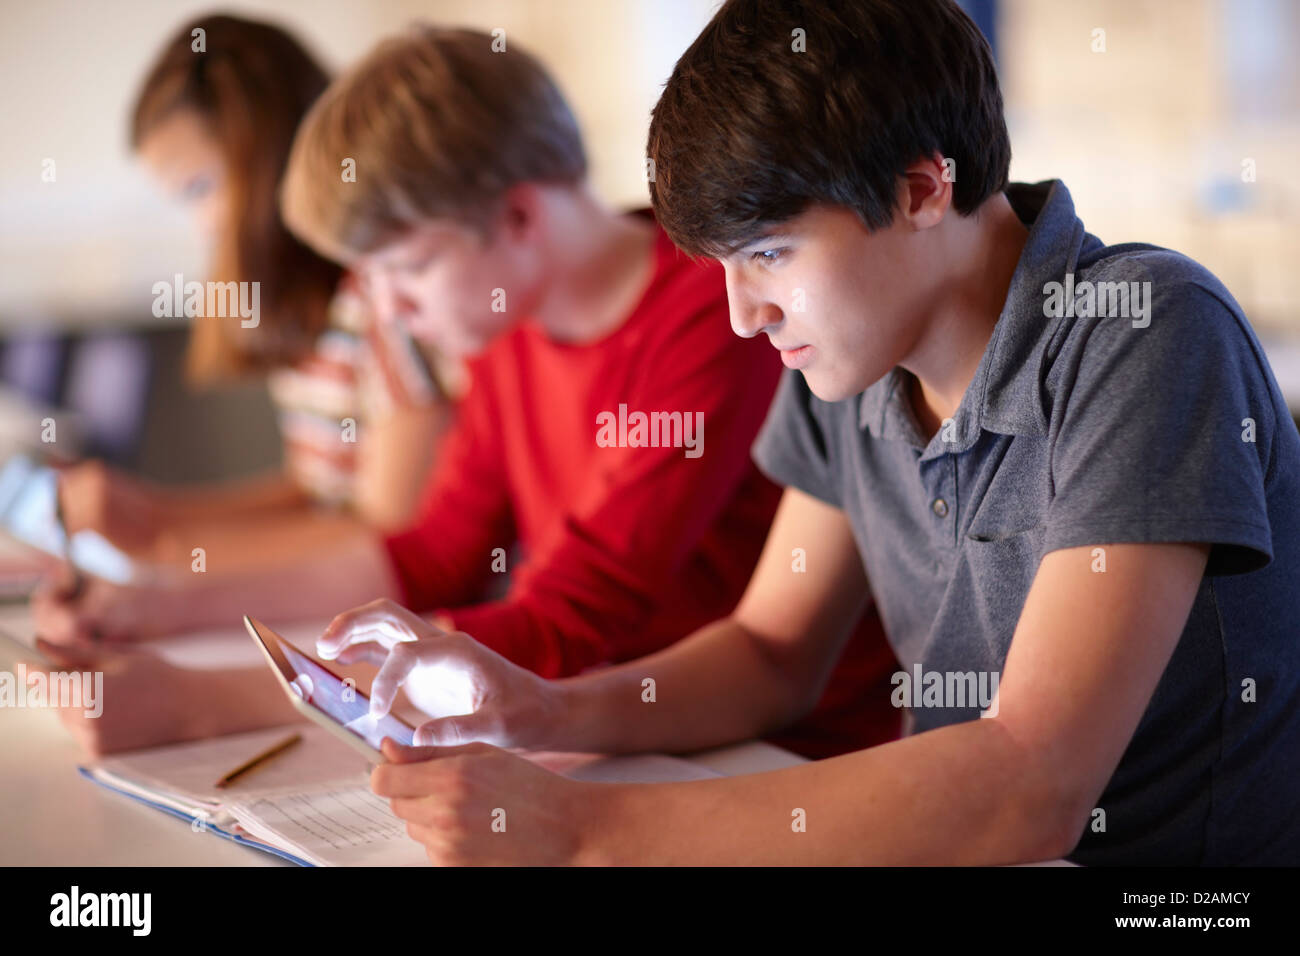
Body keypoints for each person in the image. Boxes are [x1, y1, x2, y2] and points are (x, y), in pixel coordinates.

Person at [307, 0, 1300, 865]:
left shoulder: (1143, 330)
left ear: (921, 189)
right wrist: (537, 707)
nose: (743, 315)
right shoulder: (858, 364)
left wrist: (581, 830)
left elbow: (1030, 778)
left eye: (769, 255)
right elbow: (770, 652)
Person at [31, 24, 901, 761]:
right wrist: (152, 611)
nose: (389, 310)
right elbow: (435, 553)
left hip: (773, 752)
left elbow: (574, 611)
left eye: (406, 269)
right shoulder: (504, 324)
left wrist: (208, 702)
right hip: (619, 735)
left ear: (521, 218)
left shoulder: (708, 313)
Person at [53, 14, 456, 571]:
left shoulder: (384, 297)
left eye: (200, 188)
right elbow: (317, 490)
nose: (202, 227)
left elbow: (385, 526)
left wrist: (168, 556)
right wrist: (154, 514)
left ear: (266, 164)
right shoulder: (309, 311)